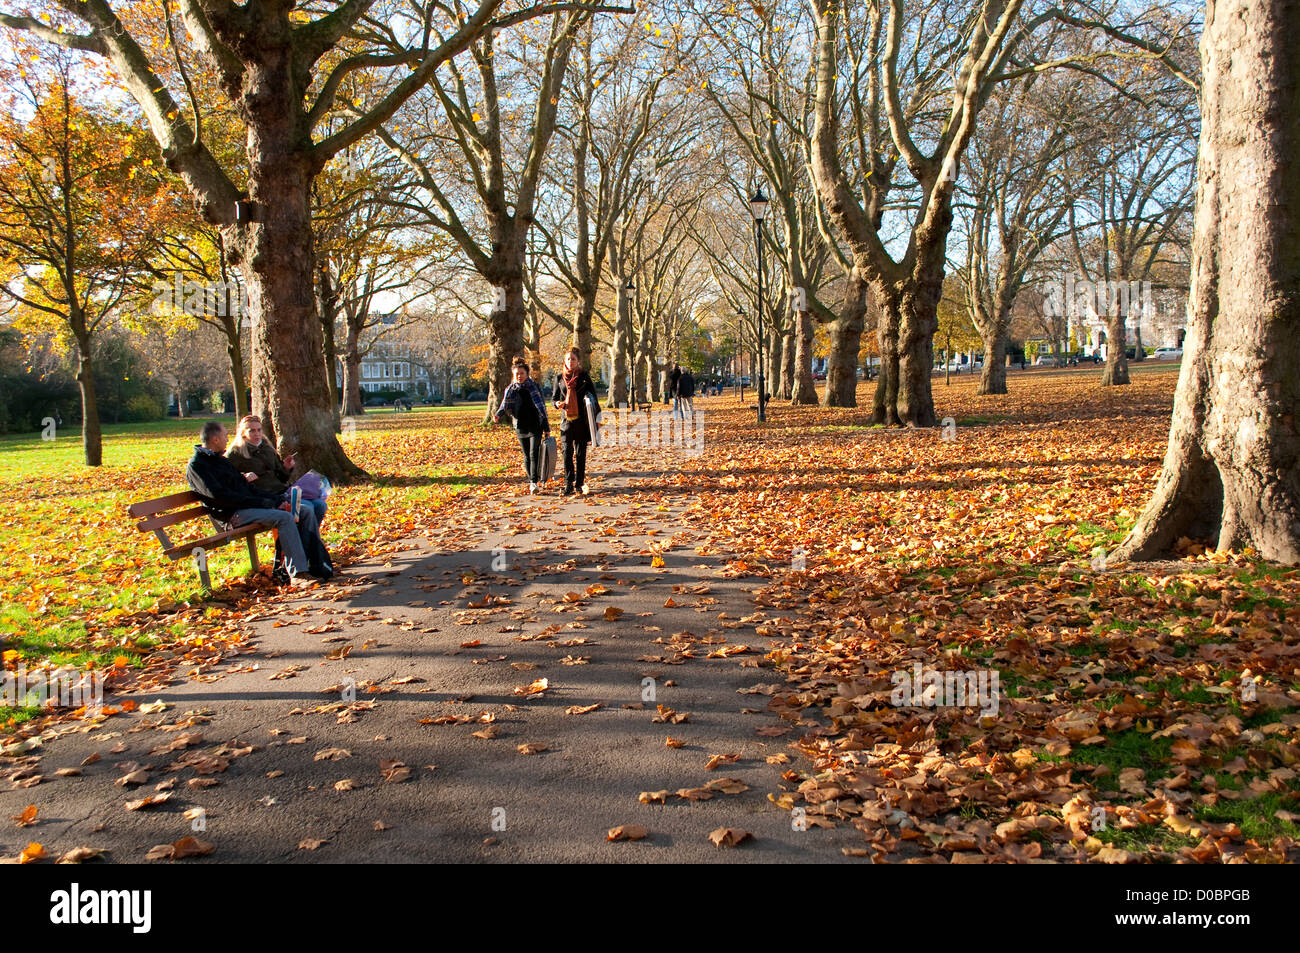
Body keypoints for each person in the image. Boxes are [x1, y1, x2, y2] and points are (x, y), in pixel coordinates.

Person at [186, 421, 332, 583]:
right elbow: (221, 497)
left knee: (304, 511)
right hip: (232, 515)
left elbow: (248, 489)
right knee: (284, 518)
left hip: (247, 507)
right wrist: (265, 504)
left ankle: (315, 562)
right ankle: (298, 574)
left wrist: (276, 501)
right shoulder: (198, 466)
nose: (227, 439)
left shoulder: (220, 461)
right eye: (224, 436)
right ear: (215, 439)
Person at [226, 415, 327, 523]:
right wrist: (244, 477)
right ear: (243, 433)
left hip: (282, 492)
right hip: (264, 498)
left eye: (259, 430)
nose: (257, 434)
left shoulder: (267, 447)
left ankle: (307, 538)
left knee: (320, 505)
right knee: (306, 508)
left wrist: (286, 468)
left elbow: (282, 478)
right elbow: (228, 478)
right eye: (252, 431)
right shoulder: (235, 453)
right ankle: (305, 539)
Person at [493, 356, 550, 494]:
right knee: (526, 455)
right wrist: (498, 415)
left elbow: (542, 408)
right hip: (520, 425)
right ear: (513, 375)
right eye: (517, 374)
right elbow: (504, 405)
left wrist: (546, 427)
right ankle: (531, 480)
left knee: (533, 453)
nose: (519, 376)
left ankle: (534, 482)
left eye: (522, 373)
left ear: (527, 374)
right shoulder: (511, 389)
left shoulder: (534, 387)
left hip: (535, 424)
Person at [551, 346, 599, 497]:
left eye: (573, 359)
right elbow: (554, 399)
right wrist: (557, 404)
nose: (570, 361)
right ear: (564, 361)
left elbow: (594, 398)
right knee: (566, 452)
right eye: (568, 359)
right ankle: (568, 484)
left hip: (581, 421)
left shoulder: (584, 377)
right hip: (566, 421)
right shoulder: (559, 378)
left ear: (578, 361)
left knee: (580, 453)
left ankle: (579, 484)